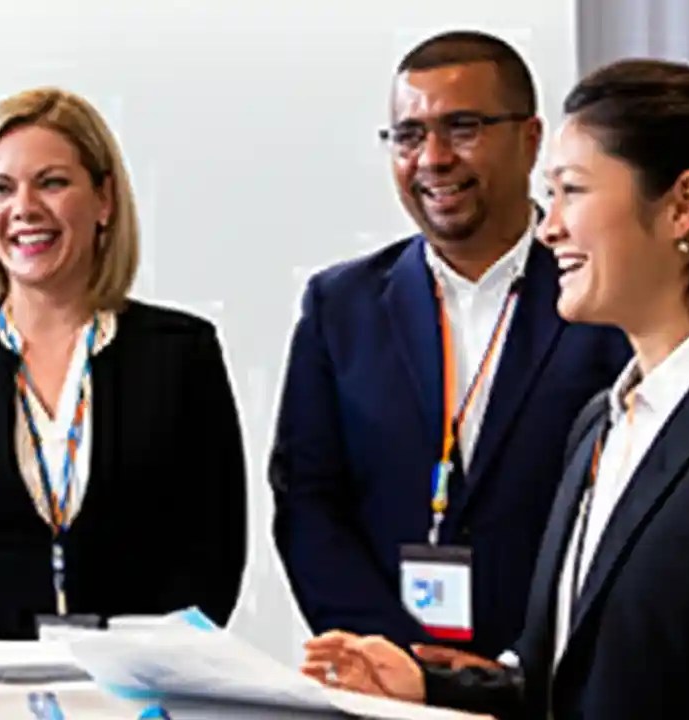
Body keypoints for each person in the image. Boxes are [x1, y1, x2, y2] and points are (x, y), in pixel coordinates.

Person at [302, 57, 689, 720]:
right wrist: (426, 686)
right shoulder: (603, 424)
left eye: (572, 191)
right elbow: (558, 675)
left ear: (682, 206)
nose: (550, 227)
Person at [268, 30, 630, 659]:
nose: (432, 158)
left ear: (531, 139)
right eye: (409, 136)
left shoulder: (603, 299)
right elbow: (309, 503)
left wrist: (518, 667)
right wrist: (403, 660)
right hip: (386, 680)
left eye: (463, 128)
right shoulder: (340, 305)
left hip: (559, 675)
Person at [0, 86, 247, 640]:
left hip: (141, 680)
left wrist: (144, 666)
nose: (24, 208)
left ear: (104, 199)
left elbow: (212, 552)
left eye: (51, 182)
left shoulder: (181, 352)